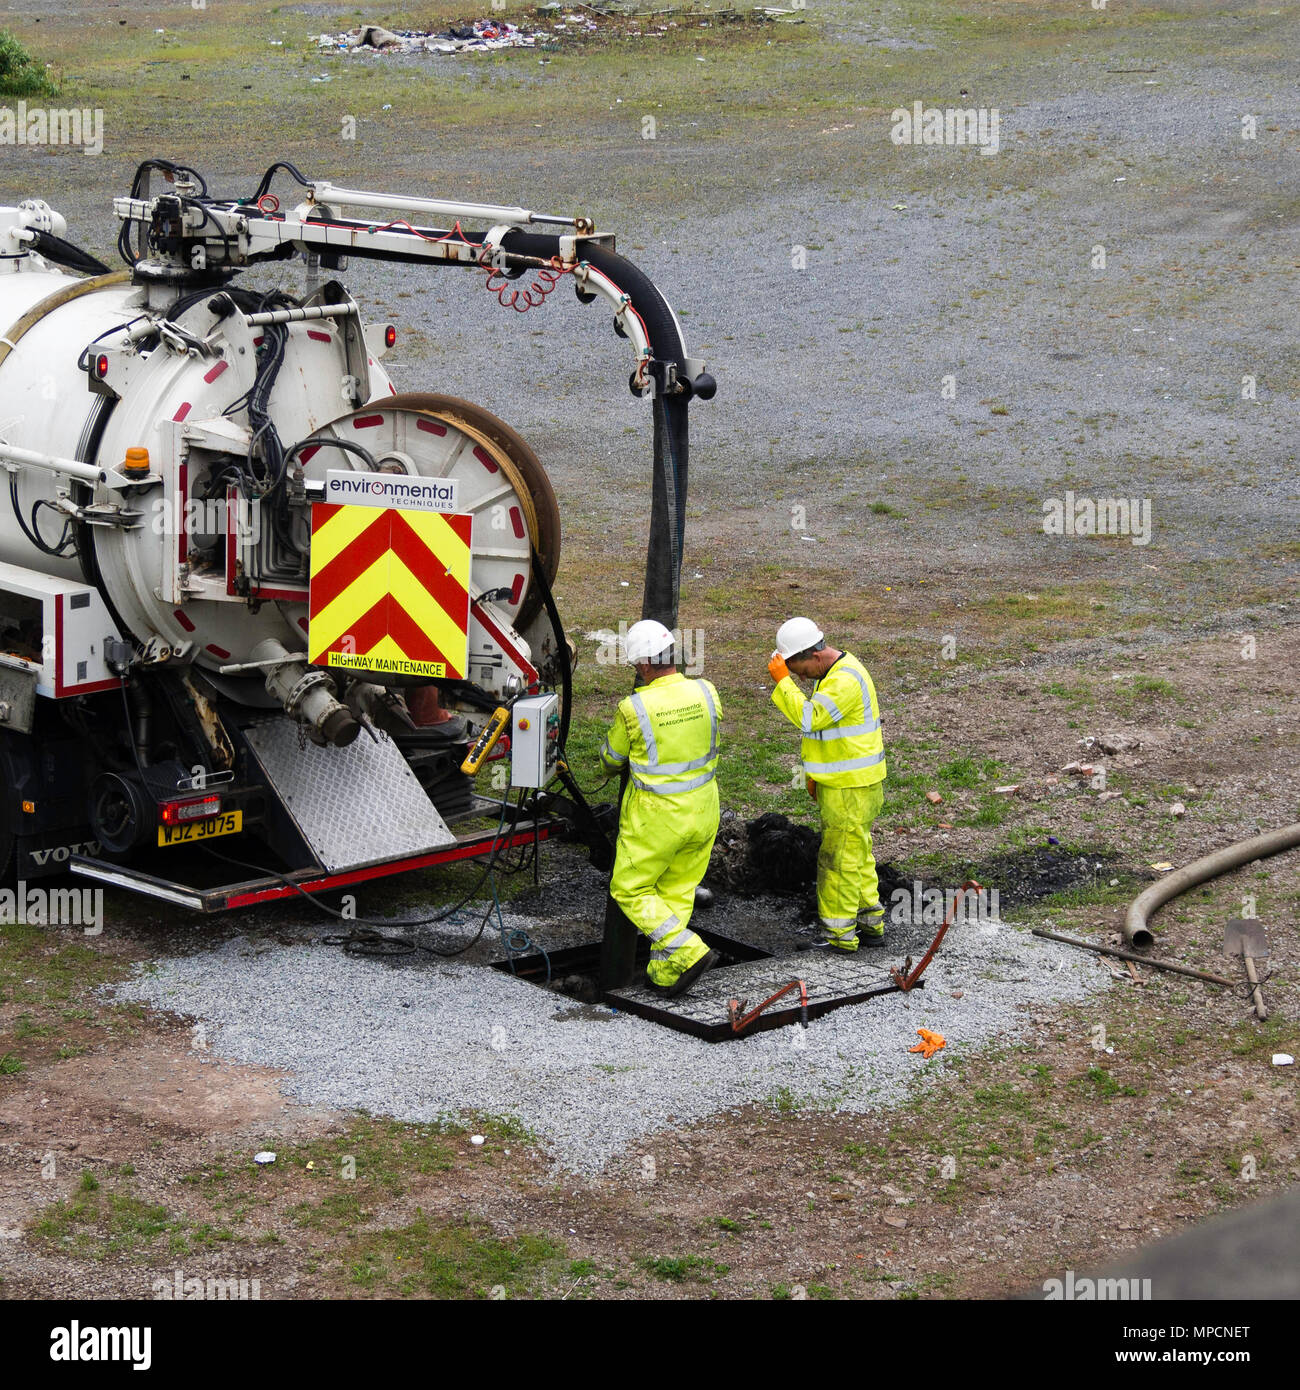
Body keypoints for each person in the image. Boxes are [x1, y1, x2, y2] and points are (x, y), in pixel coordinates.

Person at [599, 619, 722, 997]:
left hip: (658, 818)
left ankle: (687, 950)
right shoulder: (706, 691)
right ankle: (665, 973)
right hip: (703, 811)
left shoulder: (634, 708)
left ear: (646, 665)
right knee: (678, 890)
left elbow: (611, 758)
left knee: (629, 888)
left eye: (637, 666)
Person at [767, 617, 887, 951]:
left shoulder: (843, 681)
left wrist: (782, 683)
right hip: (850, 785)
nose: (801, 678)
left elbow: (810, 719)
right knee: (857, 855)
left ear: (815, 655)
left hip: (849, 789)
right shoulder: (835, 673)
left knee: (837, 861)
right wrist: (814, 775)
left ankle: (839, 937)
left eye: (800, 670)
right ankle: (869, 923)